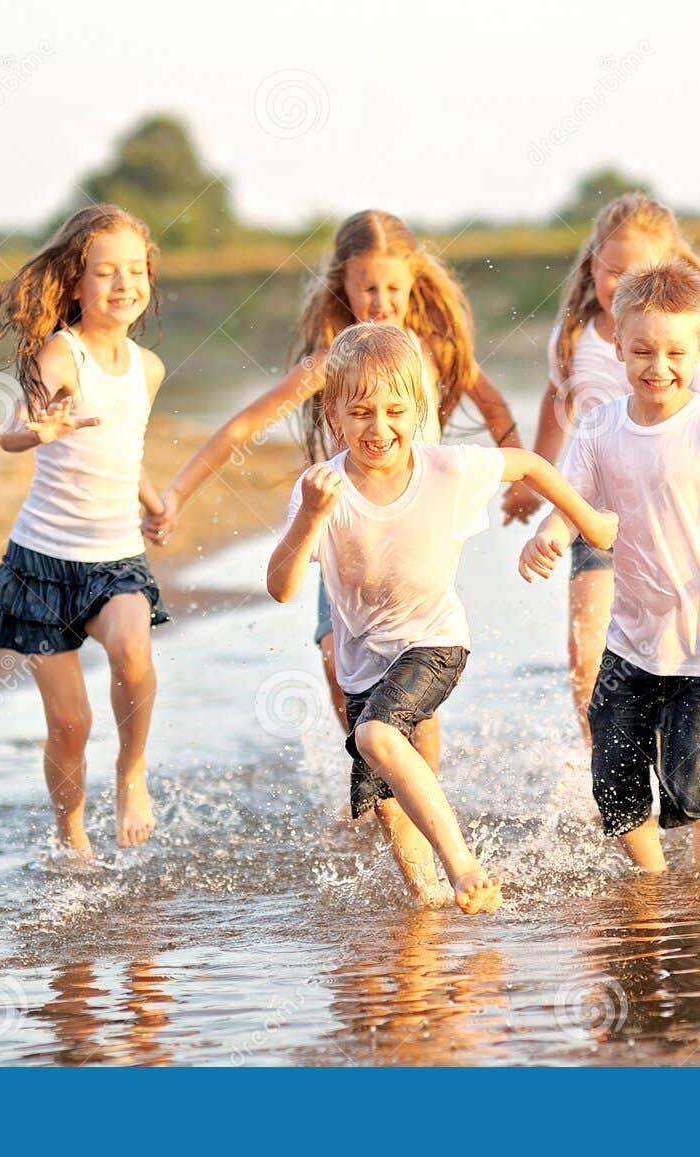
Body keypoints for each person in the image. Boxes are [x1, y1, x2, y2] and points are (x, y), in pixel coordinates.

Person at [151, 209, 522, 772]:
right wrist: (178, 492)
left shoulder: (432, 350)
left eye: (394, 286)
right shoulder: (334, 363)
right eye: (367, 286)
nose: (381, 299)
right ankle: (375, 782)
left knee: (413, 662)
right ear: (343, 287)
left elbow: (494, 407)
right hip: (345, 528)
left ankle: (422, 784)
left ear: (414, 283)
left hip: (416, 533)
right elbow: (243, 427)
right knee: (334, 659)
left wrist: (520, 487)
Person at [267, 323, 617, 913]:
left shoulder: (446, 469)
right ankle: (428, 910)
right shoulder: (321, 489)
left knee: (376, 734)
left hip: (435, 642)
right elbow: (281, 588)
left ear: (419, 409)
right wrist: (308, 518)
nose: (379, 428)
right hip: (363, 664)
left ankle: (463, 867)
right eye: (361, 412)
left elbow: (529, 464)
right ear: (333, 413)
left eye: (395, 411)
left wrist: (590, 521)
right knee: (386, 801)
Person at [521, 260, 700, 871]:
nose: (659, 367)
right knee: (614, 786)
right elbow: (571, 504)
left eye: (676, 351)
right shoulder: (598, 428)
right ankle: (652, 886)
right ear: (617, 344)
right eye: (642, 350)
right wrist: (547, 532)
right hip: (631, 640)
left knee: (688, 792)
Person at [499, 193, 700, 745]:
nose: (620, 284)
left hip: (672, 517)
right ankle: (607, 774)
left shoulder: (680, 341)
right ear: (593, 265)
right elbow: (555, 400)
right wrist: (530, 483)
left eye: (636, 272)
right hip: (594, 511)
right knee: (587, 656)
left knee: (669, 660)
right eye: (611, 270)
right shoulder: (574, 337)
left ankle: (681, 764)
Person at [0, 205, 172, 860]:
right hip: (43, 565)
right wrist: (41, 430)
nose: (124, 285)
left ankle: (132, 772)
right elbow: (10, 433)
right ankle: (73, 835)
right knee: (70, 723)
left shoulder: (148, 368)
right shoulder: (61, 353)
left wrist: (152, 501)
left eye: (135, 271)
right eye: (106, 272)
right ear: (77, 282)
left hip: (117, 559)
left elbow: (124, 446)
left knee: (134, 656)